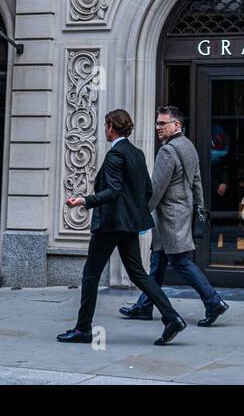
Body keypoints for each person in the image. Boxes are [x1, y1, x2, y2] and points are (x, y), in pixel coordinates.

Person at [57, 109, 186, 346]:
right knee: (138, 273)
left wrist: (84, 200)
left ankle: (83, 328)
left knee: (90, 274)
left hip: (111, 224)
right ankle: (172, 317)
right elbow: (147, 189)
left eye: (106, 126)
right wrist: (133, 212)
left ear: (110, 127)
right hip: (129, 224)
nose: (105, 130)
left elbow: (114, 191)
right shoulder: (136, 153)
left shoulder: (115, 154)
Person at [120, 106, 230, 327]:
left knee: (180, 262)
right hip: (182, 212)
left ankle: (213, 301)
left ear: (176, 125)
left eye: (163, 123)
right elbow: (197, 180)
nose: (158, 127)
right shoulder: (188, 145)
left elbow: (156, 189)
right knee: (158, 263)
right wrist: (200, 206)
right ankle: (144, 306)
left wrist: (139, 214)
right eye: (157, 123)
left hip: (170, 217)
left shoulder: (167, 151)